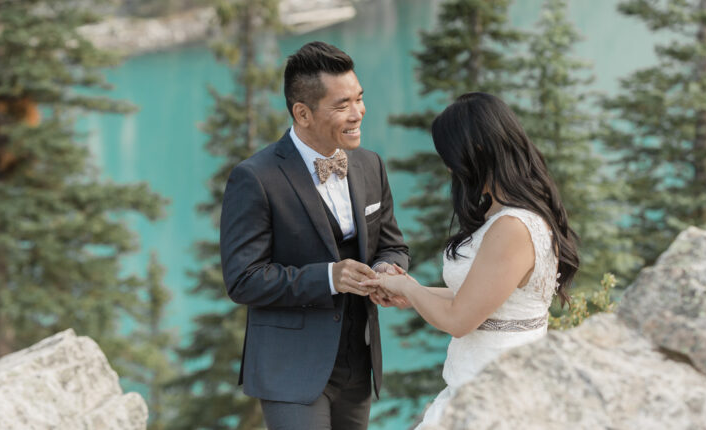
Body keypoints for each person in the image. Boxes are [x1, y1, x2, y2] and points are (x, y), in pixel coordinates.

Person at [220, 41, 410, 430]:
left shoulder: (370, 165)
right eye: (342, 105)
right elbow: (243, 279)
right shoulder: (255, 178)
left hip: (358, 364)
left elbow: (392, 244)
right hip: (290, 367)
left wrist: (387, 269)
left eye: (359, 99)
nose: (358, 113)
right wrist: (328, 277)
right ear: (302, 113)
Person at [363, 92, 580, 428]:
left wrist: (406, 287)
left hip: (497, 394)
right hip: (486, 384)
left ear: (476, 150)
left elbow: (459, 319)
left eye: (450, 157)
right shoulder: (507, 214)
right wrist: (413, 292)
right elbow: (480, 298)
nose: (449, 167)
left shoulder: (512, 226)